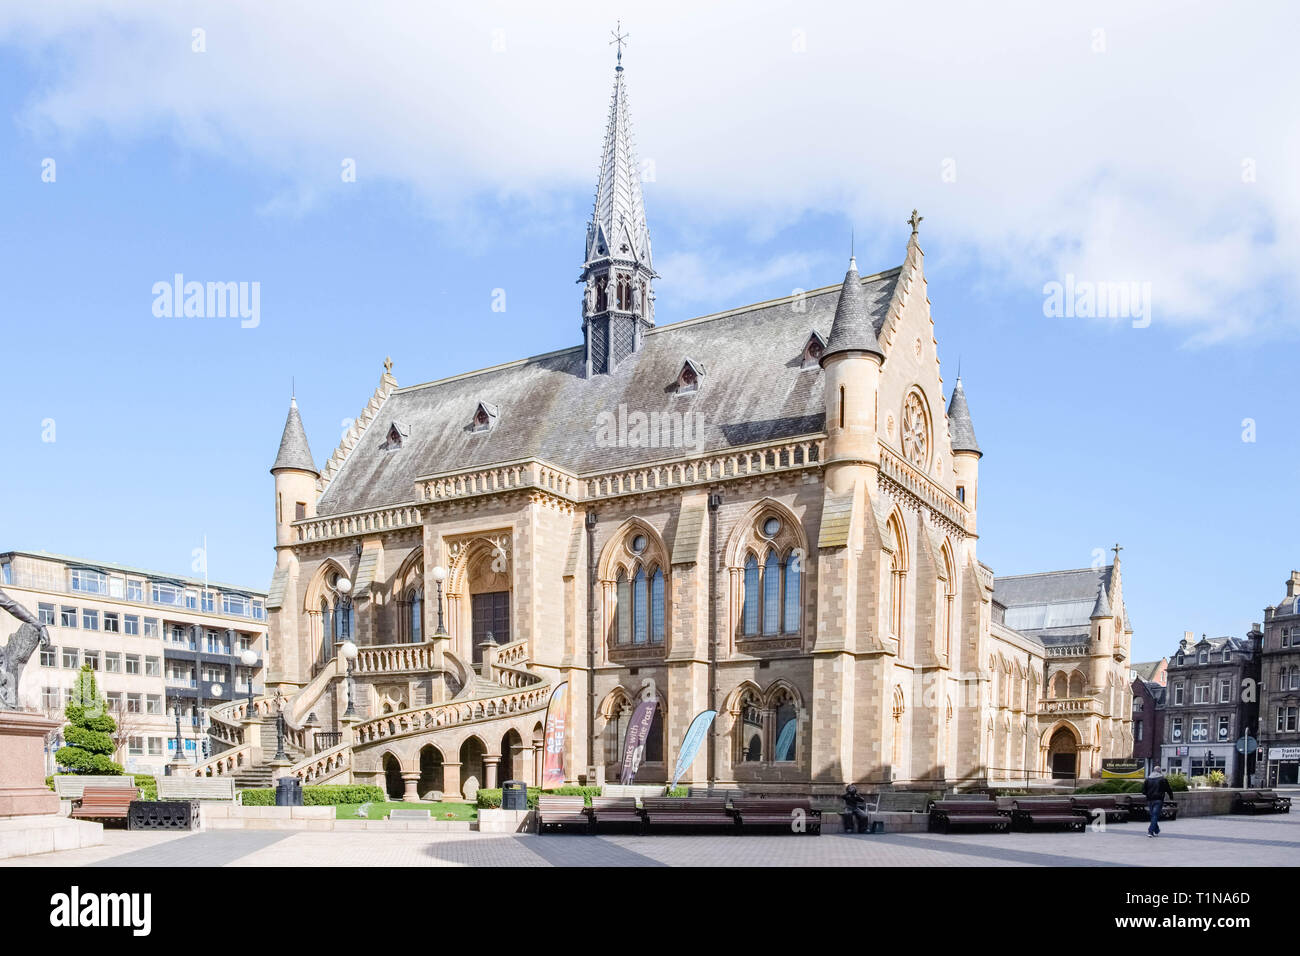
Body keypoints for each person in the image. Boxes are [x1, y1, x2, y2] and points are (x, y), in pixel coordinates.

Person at [1143, 766, 1174, 837]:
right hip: (1159, 799)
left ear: (1153, 771)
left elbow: (1143, 791)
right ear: (1160, 771)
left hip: (1150, 799)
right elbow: (1168, 789)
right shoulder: (1163, 779)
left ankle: (1156, 830)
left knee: (1153, 815)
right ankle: (1150, 831)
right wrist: (1171, 797)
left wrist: (1148, 794)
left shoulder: (1148, 779)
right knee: (1155, 815)